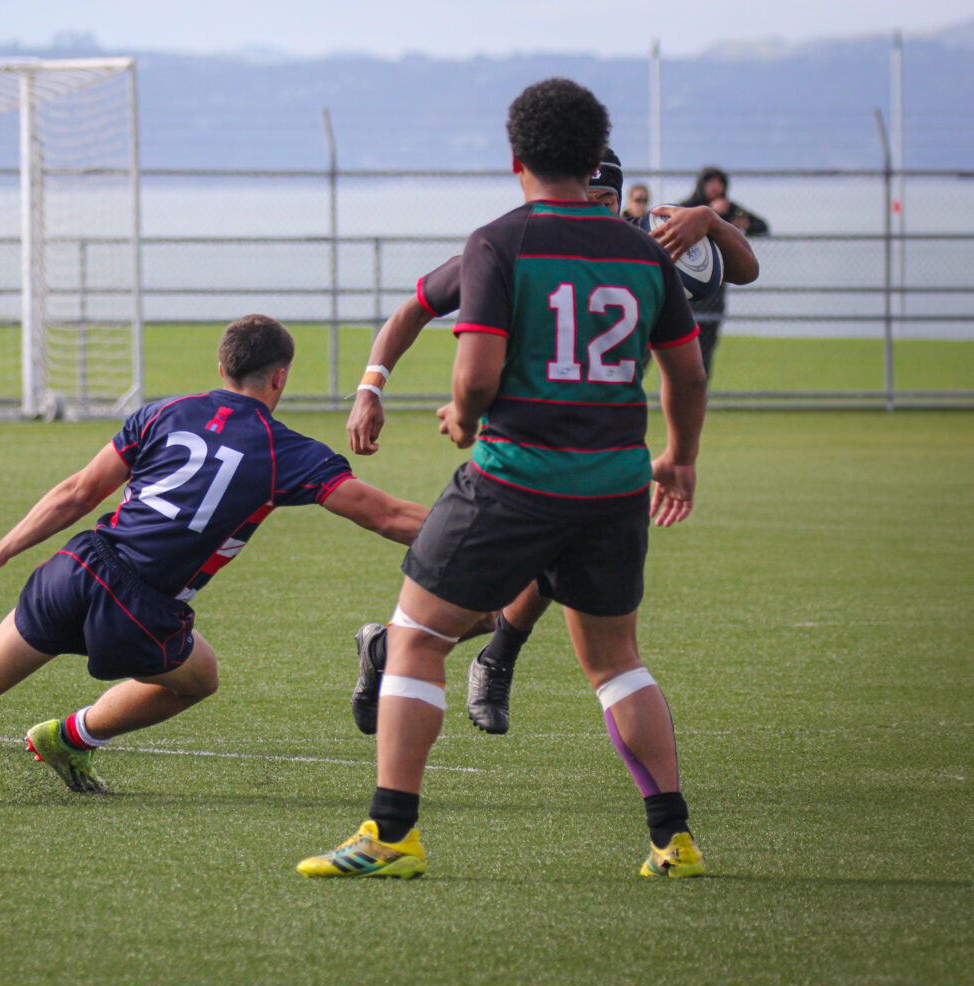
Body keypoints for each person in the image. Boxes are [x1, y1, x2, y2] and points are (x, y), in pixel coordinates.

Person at [301, 78, 709, 880]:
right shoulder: (641, 253)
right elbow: (687, 376)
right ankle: (674, 839)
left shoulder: (500, 241)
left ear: (515, 157)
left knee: (415, 638)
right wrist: (681, 457)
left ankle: (391, 836)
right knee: (617, 661)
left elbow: (478, 372)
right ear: (596, 160)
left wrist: (464, 415)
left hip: (517, 478)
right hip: (616, 483)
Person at [0, 314, 433, 802]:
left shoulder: (161, 413)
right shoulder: (286, 450)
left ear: (221, 365)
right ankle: (71, 737)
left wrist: (2, 549)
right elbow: (386, 516)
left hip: (76, 567)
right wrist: (484, 531)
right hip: (139, 607)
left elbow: (78, 492)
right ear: (280, 377)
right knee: (200, 677)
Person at [345, 146, 756, 739]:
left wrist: (710, 221)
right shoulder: (520, 244)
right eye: (583, 197)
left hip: (602, 443)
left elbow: (740, 270)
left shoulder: (649, 243)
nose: (590, 211)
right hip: (523, 438)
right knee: (495, 600)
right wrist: (370, 386)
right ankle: (429, 654)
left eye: (605, 201)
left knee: (550, 583)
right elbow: (417, 306)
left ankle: (468, 658)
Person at [679, 166, 769, 376]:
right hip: (687, 288)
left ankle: (701, 390)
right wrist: (709, 215)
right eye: (711, 182)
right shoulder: (689, 207)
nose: (715, 187)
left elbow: (761, 226)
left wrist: (737, 225)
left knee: (707, 346)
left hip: (715, 288)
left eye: (720, 182)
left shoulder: (730, 209)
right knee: (683, 346)